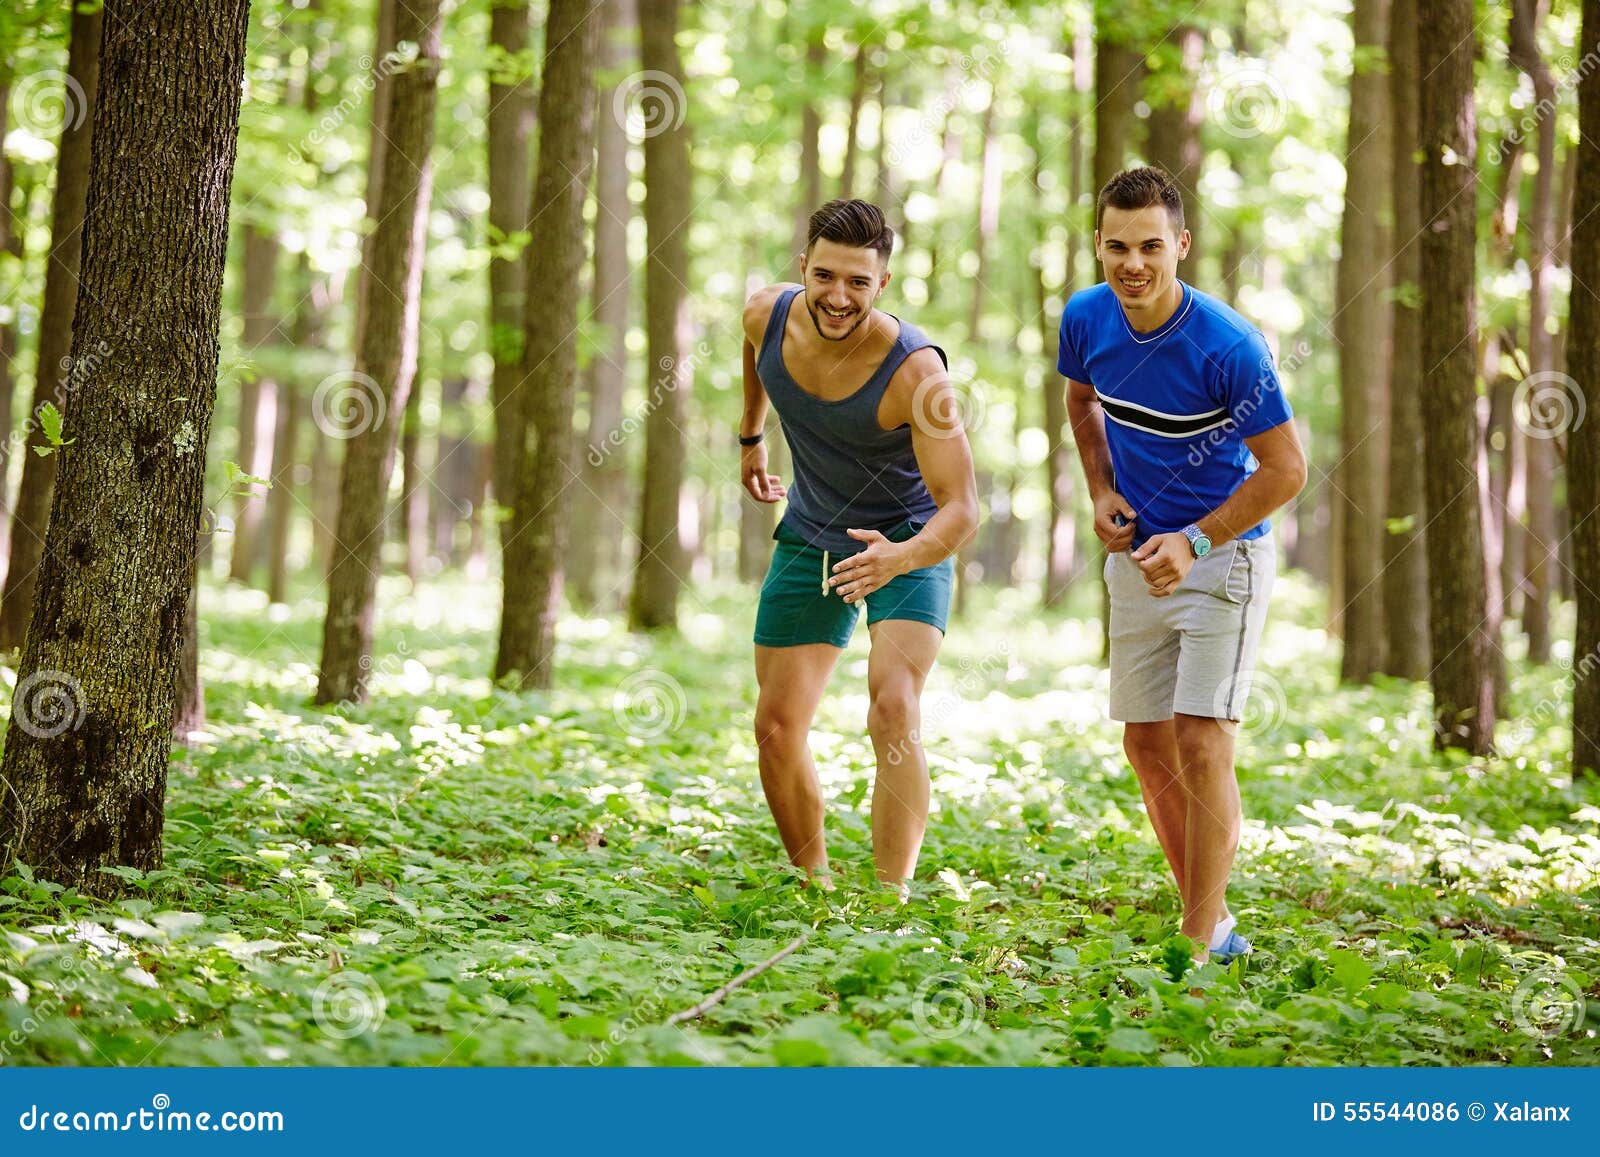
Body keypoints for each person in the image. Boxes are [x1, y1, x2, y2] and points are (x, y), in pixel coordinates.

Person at [1058, 167, 1307, 963]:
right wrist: (1100, 489)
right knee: (1146, 742)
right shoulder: (1086, 318)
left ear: (1182, 247)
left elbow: (1287, 469)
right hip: (1136, 555)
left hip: (1222, 558)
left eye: (1151, 247)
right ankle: (1212, 915)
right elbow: (1080, 401)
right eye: (1117, 246)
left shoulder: (1230, 344)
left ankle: (1198, 941)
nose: (1133, 263)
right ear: (1099, 245)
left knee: (1203, 739)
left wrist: (1195, 540)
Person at [740, 198, 979, 891]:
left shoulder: (916, 374)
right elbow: (755, 353)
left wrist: (900, 558)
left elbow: (963, 507)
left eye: (858, 283)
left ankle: (888, 900)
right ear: (803, 270)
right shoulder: (766, 313)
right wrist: (751, 435)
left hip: (908, 537)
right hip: (813, 531)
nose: (838, 297)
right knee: (777, 726)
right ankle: (813, 883)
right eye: (825, 276)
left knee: (894, 705)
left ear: (884, 285)